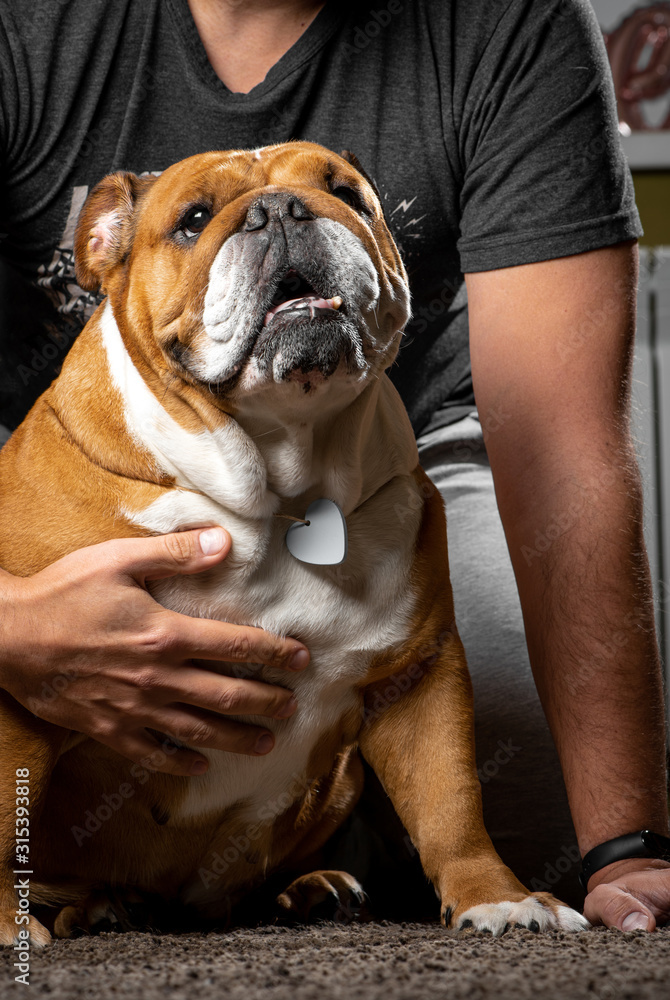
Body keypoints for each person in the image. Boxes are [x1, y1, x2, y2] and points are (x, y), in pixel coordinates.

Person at [0, 0, 667, 929]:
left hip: (392, 457)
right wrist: (12, 622)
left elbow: (565, 458)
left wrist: (629, 848)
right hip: (86, 463)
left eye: (343, 197)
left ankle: (307, 853)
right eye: (200, 219)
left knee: (534, 805)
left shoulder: (507, 22)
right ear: (104, 248)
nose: (275, 226)